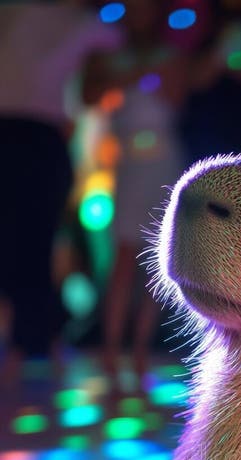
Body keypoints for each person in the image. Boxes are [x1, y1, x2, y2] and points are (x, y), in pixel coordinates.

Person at [0, 0, 120, 385]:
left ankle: (32, 341)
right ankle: (31, 340)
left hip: (42, 140)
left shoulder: (87, 24)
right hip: (23, 136)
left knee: (36, 243)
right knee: (21, 243)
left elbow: (94, 86)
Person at [82, 0, 186, 391]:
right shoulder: (105, 55)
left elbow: (177, 98)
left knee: (155, 258)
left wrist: (136, 75)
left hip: (162, 159)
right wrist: (136, 74)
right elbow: (88, 95)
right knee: (123, 257)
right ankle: (111, 349)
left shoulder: (170, 55)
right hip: (126, 163)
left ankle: (142, 348)